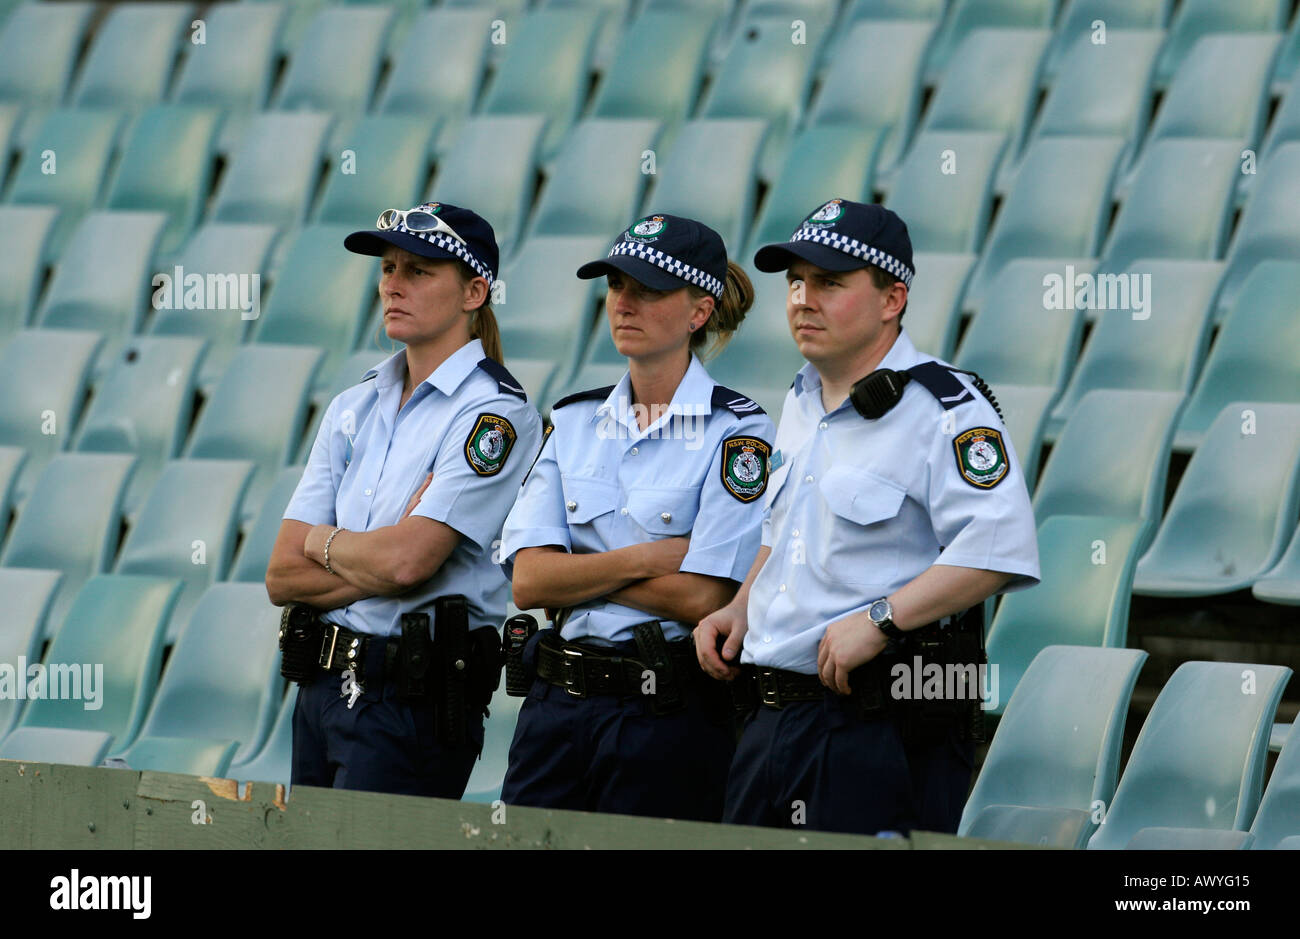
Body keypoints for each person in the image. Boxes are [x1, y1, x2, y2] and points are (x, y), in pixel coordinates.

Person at [695, 198, 1041, 836]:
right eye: (796, 281)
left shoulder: (945, 407)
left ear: (892, 299)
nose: (803, 298)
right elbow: (786, 532)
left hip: (874, 723)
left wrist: (883, 620)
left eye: (830, 282)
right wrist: (743, 604)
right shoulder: (800, 398)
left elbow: (998, 548)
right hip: (770, 718)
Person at [497, 213, 775, 821]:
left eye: (648, 289)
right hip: (554, 708)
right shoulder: (570, 421)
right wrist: (650, 557)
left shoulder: (740, 432)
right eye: (617, 285)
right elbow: (529, 583)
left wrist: (583, 571)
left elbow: (706, 596)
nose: (624, 302)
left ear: (699, 311)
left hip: (666, 711)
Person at [265, 201, 543, 797]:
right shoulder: (354, 403)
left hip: (411, 699)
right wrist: (375, 555)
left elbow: (407, 562)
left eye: (419, 271)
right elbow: (281, 575)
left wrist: (325, 544)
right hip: (319, 687)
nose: (393, 284)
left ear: (474, 292)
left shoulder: (495, 412)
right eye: (389, 268)